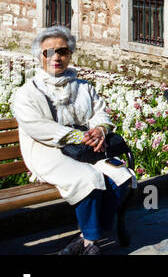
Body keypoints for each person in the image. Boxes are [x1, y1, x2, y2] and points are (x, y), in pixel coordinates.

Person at [11, 26, 136, 255]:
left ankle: (87, 241)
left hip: (86, 150)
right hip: (48, 152)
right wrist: (81, 136)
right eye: (48, 52)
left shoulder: (83, 87)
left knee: (121, 176)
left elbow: (100, 112)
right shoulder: (27, 93)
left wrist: (99, 130)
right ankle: (92, 240)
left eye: (62, 51)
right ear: (39, 56)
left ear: (70, 54)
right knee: (88, 178)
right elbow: (38, 128)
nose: (56, 57)